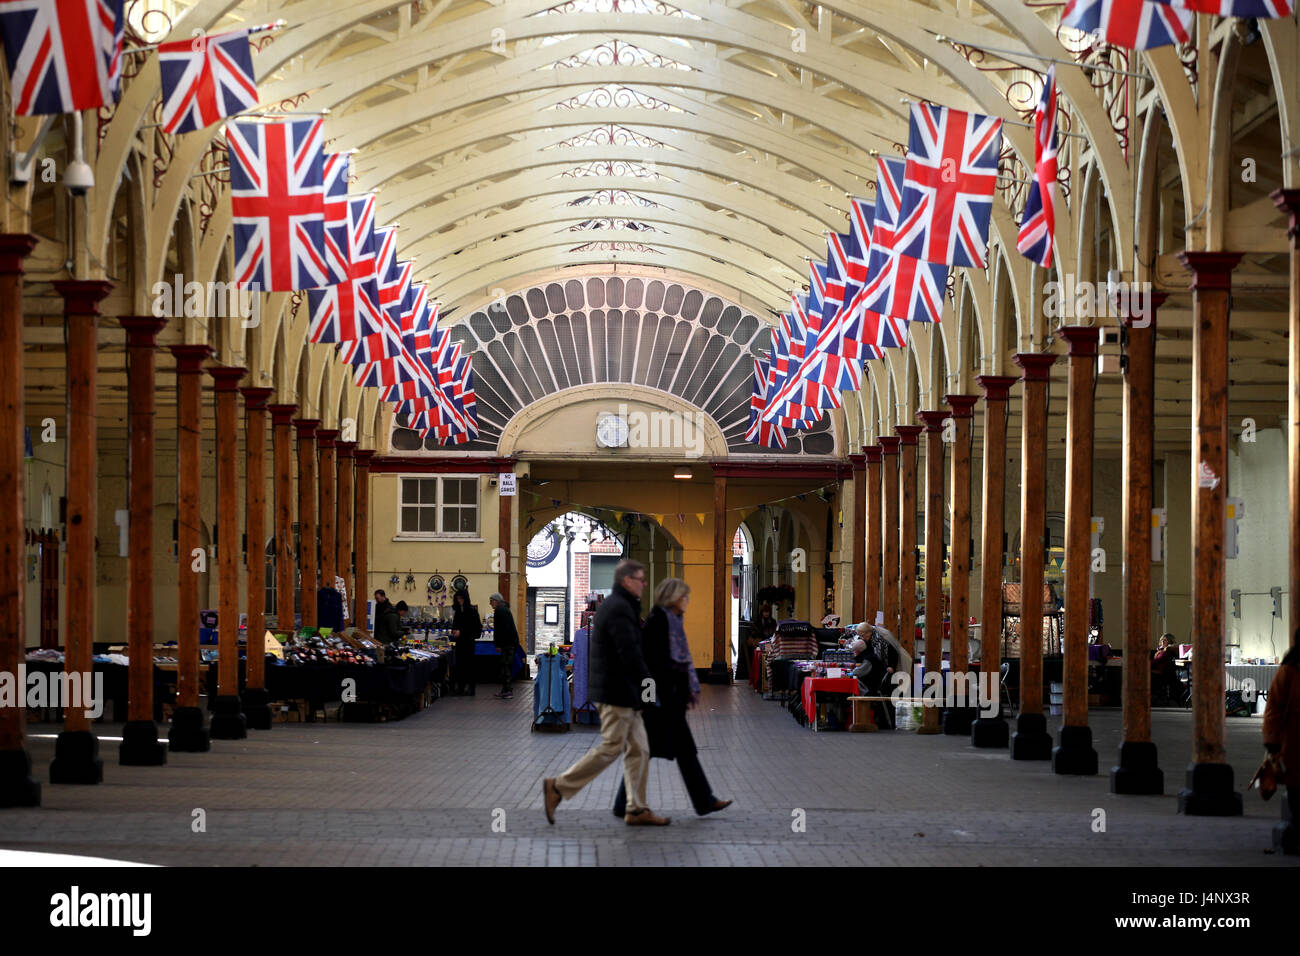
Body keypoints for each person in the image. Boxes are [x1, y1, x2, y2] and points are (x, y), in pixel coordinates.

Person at [543, 559, 670, 827]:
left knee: (639, 749)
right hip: (616, 692)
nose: (644, 584)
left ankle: (636, 809)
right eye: (640, 579)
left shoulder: (620, 606)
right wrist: (649, 689)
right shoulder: (620, 609)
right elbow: (630, 654)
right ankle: (558, 787)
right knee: (612, 747)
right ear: (627, 581)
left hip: (622, 691)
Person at [612, 579, 731, 818]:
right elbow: (646, 665)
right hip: (659, 704)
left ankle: (704, 800)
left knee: (678, 752)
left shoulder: (671, 622)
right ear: (672, 598)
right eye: (683, 597)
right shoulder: (659, 623)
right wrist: (647, 701)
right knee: (653, 753)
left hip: (668, 702)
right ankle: (703, 800)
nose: (686, 601)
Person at [1262, 633, 1300, 855]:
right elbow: (1274, 709)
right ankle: (1292, 837)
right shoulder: (1288, 672)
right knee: (1297, 792)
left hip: (1293, 743)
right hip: (1293, 743)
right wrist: (1272, 742)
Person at [489, 592, 521, 699]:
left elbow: (500, 630)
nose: (490, 603)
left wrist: (498, 644)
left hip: (508, 643)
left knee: (505, 666)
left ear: (496, 601)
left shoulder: (499, 611)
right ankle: (505, 690)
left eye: (491, 601)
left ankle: (508, 691)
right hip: (510, 642)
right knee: (505, 666)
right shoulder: (504, 609)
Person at [450, 588, 482, 696]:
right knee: (459, 666)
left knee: (469, 666)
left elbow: (476, 628)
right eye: (457, 598)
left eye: (460, 598)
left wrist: (461, 632)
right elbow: (455, 624)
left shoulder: (472, 611)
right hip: (460, 643)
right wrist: (454, 631)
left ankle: (471, 689)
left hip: (468, 643)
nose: (459, 600)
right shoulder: (458, 611)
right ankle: (460, 688)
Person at [1151, 633, 1184, 705]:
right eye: (1162, 640)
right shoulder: (1161, 650)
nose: (1162, 642)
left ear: (1169, 642)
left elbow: (1156, 662)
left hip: (1159, 673)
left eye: (1165, 640)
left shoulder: (1165, 651)